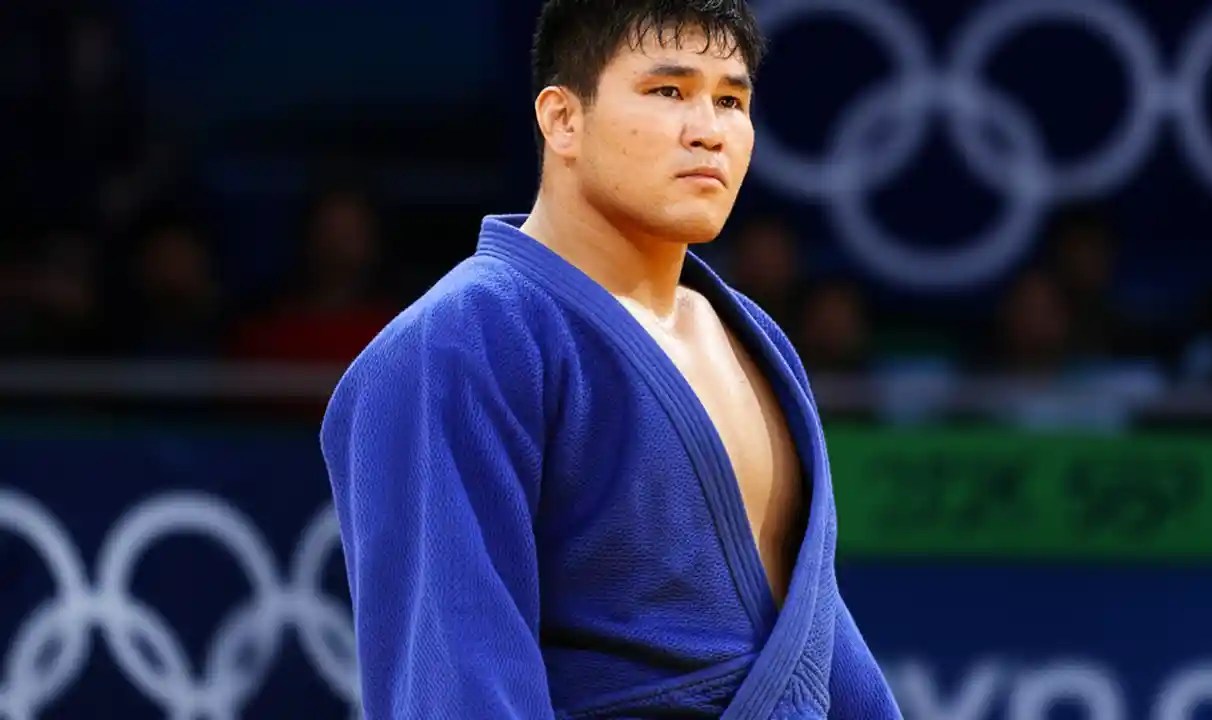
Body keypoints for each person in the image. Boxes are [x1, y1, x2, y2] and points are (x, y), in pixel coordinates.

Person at [319, 1, 901, 717]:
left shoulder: (757, 338)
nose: (709, 131)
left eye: (730, 100)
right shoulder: (463, 341)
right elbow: (457, 674)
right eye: (669, 92)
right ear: (563, 119)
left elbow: (813, 649)